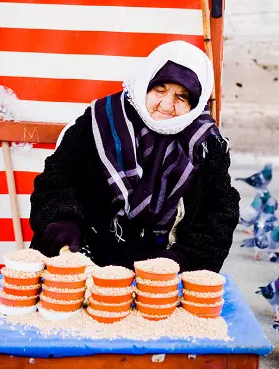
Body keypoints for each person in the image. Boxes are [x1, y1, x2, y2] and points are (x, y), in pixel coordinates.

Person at [30, 41, 240, 272]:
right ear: (145, 86)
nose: (167, 105)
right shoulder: (100, 121)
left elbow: (219, 214)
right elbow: (56, 180)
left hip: (163, 272)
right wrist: (63, 223)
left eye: (182, 97)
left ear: (195, 104)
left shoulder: (206, 144)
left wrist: (183, 259)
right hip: (87, 258)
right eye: (160, 89)